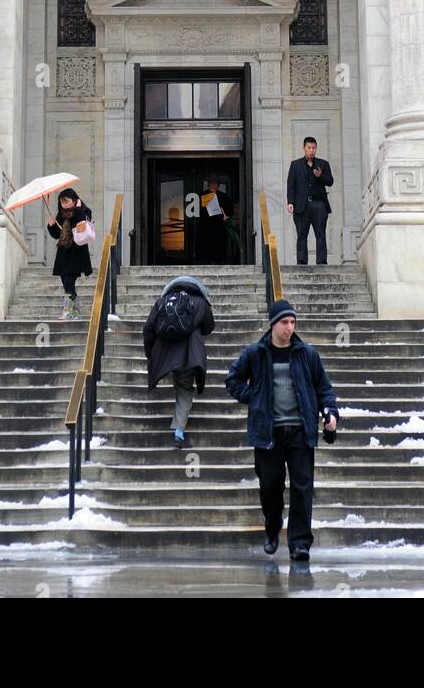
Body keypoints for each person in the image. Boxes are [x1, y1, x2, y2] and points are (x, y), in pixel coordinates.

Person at [226, 299, 338, 561]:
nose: (290, 327)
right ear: (274, 324)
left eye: (293, 322)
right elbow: (232, 379)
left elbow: (324, 388)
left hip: (300, 430)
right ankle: (273, 528)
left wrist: (331, 412)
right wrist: (252, 396)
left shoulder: (306, 354)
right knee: (270, 486)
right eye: (285, 322)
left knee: (302, 487)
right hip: (268, 433)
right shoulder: (255, 353)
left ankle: (299, 543)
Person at [143, 275, 215, 448]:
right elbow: (208, 327)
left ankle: (178, 423)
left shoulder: (162, 302)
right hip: (190, 353)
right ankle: (179, 432)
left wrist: (150, 354)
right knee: (184, 388)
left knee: (179, 380)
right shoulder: (200, 302)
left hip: (165, 353)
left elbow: (148, 329)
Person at [286, 135, 334, 265]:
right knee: (301, 235)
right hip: (301, 205)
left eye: (313, 148)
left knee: (320, 234)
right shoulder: (295, 165)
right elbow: (291, 184)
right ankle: (302, 262)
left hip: (319, 204)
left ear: (316, 148)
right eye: (309, 148)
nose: (311, 150)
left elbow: (330, 181)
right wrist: (290, 202)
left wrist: (320, 176)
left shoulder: (323, 164)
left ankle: (322, 261)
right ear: (303, 148)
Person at [46, 188, 93, 320]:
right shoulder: (61, 214)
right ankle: (75, 310)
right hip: (64, 252)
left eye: (66, 201)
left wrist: (78, 210)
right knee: (65, 281)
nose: (64, 205)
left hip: (77, 251)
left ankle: (68, 311)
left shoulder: (84, 210)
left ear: (74, 200)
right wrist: (51, 226)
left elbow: (82, 225)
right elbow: (56, 235)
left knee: (68, 281)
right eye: (62, 202)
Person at [198, 173, 236, 263]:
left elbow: (230, 211)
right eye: (211, 183)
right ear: (208, 184)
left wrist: (226, 216)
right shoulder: (202, 195)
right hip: (206, 228)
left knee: (219, 251)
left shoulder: (224, 197)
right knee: (206, 251)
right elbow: (199, 212)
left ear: (218, 185)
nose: (213, 185)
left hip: (219, 227)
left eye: (215, 183)